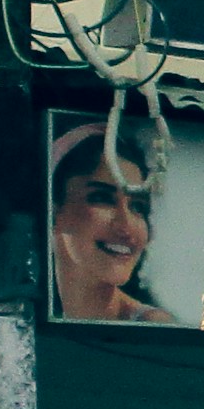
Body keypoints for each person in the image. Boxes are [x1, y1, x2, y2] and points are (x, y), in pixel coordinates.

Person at [46, 112, 171, 324]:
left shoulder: (154, 324)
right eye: (102, 198)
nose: (126, 225)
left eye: (137, 207)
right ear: (55, 210)